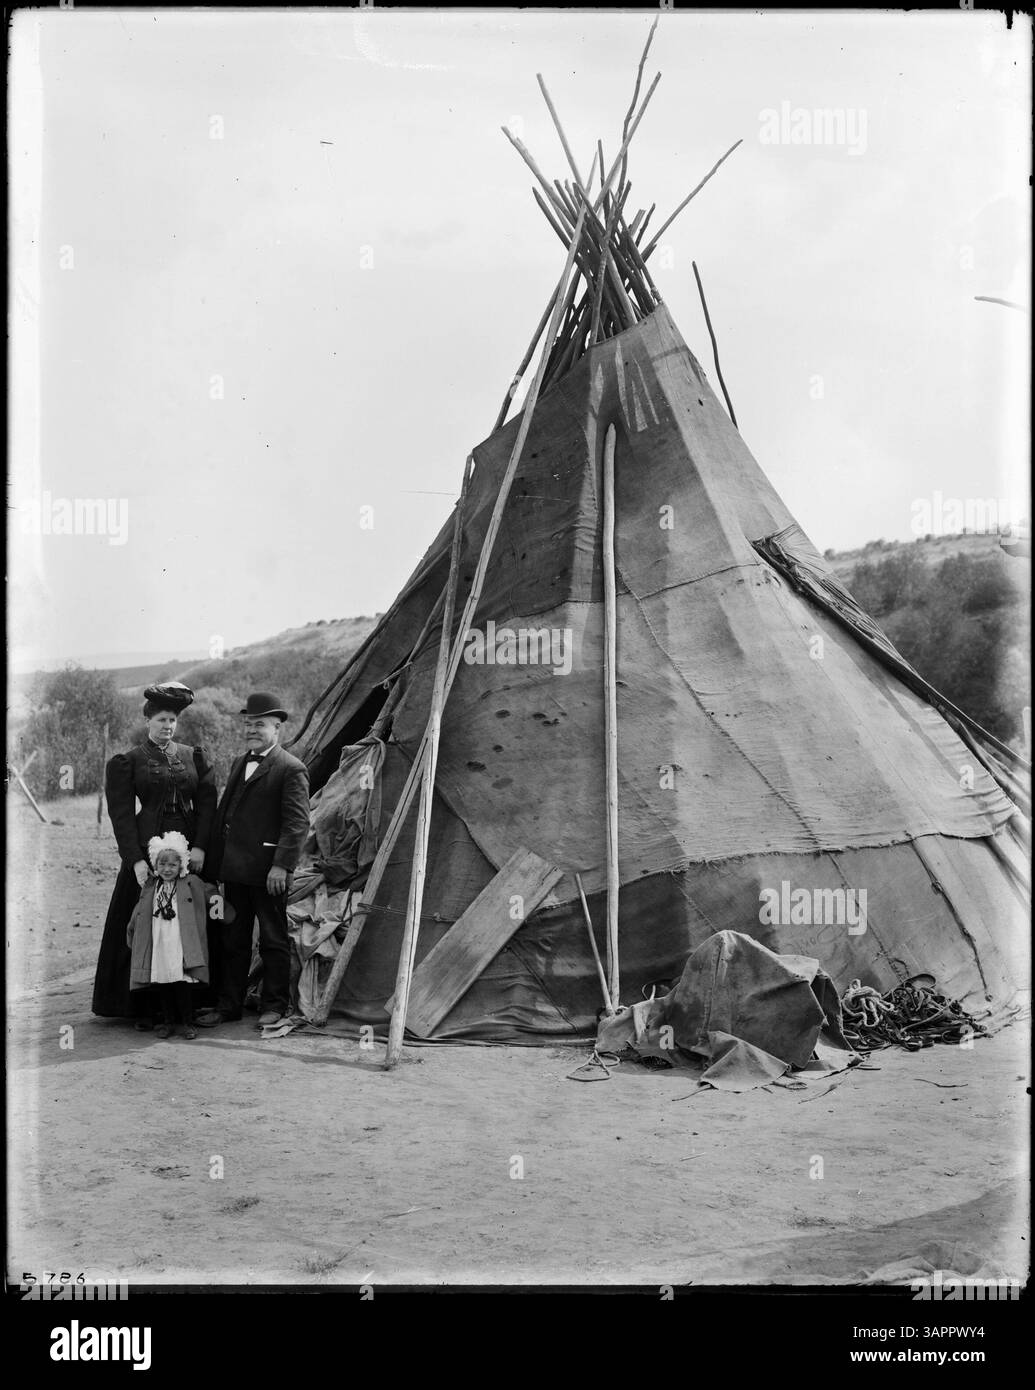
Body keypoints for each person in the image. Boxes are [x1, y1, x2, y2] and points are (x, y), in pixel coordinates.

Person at [92, 682, 217, 1026]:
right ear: (148, 720)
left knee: (189, 922)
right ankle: (142, 1006)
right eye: (161, 719)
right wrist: (134, 860)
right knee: (147, 922)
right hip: (148, 851)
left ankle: (190, 1003)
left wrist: (202, 847)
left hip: (189, 849)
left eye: (172, 720)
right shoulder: (128, 761)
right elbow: (120, 815)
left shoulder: (194, 756)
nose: (167, 726)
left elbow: (208, 806)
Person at [197, 693, 310, 1029]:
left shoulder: (291, 768)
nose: (252, 730)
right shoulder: (237, 763)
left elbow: (297, 823)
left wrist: (282, 865)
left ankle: (275, 1005)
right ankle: (229, 1005)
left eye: (259, 725)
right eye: (248, 725)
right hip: (234, 870)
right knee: (232, 939)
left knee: (273, 940)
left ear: (277, 729)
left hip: (267, 872)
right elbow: (224, 816)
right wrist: (216, 865)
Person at [126, 832, 227, 1039]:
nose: (167, 869)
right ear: (155, 865)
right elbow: (139, 911)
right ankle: (167, 1022)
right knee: (163, 982)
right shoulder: (151, 887)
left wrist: (226, 913)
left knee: (182, 983)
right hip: (160, 941)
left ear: (181, 865)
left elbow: (210, 894)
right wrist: (132, 931)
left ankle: (187, 1023)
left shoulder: (192, 883)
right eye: (162, 864)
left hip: (180, 943)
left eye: (172, 865)